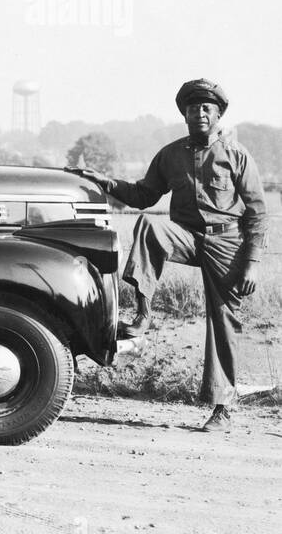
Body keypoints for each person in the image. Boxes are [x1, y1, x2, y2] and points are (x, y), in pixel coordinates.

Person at [67, 78, 267, 432]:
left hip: (227, 243)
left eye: (207, 108)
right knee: (149, 224)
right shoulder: (171, 155)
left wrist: (250, 263)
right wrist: (103, 181)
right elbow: (144, 195)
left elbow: (256, 213)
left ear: (218, 114)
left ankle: (222, 408)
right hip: (186, 236)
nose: (200, 113)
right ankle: (143, 315)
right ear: (185, 115)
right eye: (193, 108)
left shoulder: (237, 155)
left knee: (222, 321)